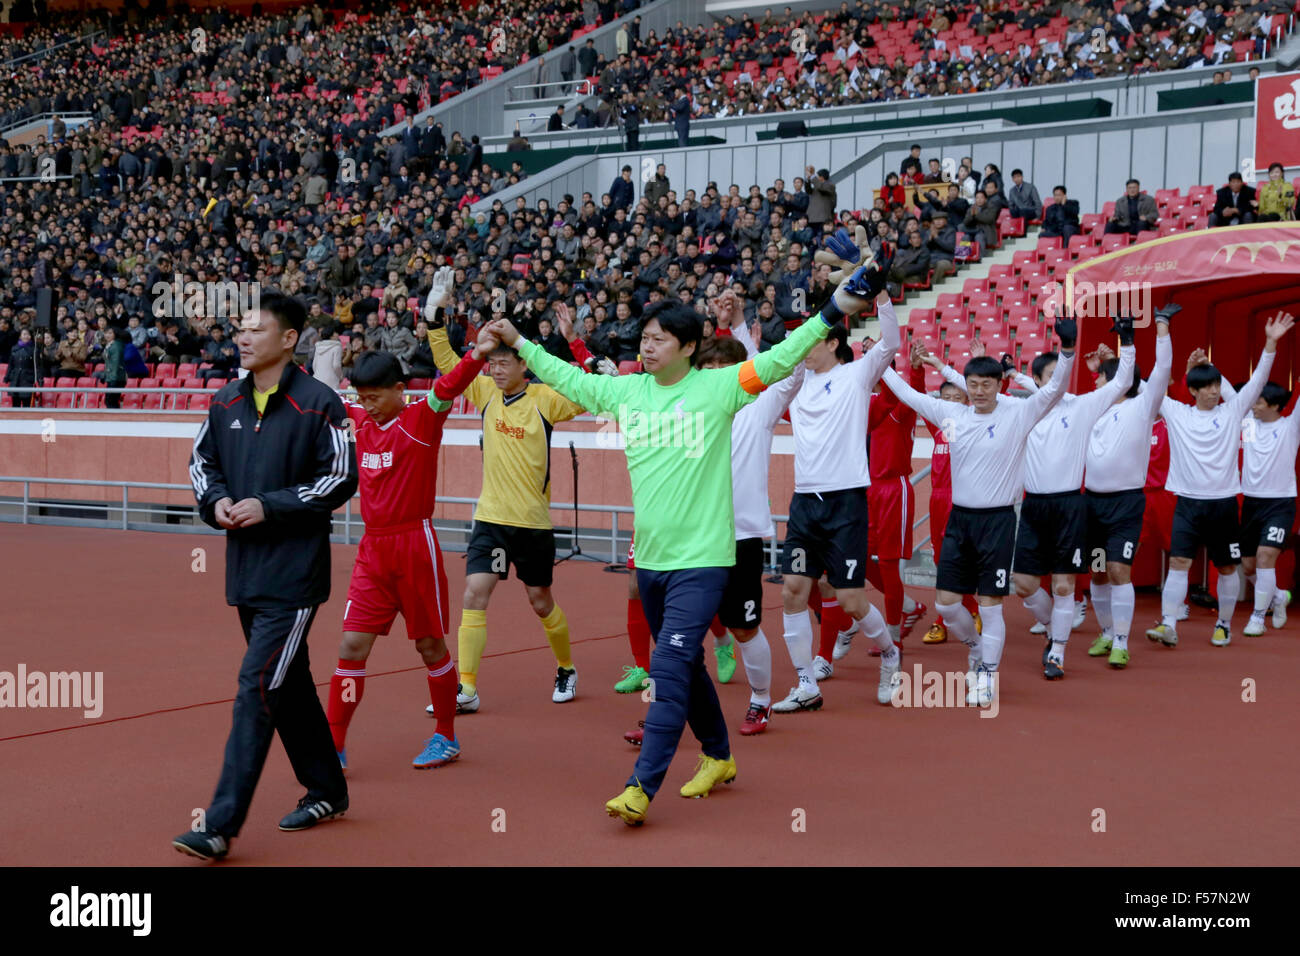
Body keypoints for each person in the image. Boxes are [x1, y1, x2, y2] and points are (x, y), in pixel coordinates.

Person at [486, 238, 890, 826]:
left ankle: (640, 788)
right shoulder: (625, 392)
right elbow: (566, 377)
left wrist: (835, 311)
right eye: (643, 338)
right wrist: (520, 341)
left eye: (658, 340)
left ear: (688, 347)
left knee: (670, 669)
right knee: (689, 667)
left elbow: (782, 357)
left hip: (705, 559)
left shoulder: (719, 388)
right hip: (651, 560)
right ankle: (720, 757)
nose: (645, 347)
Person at [177, 292, 359, 862]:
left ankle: (219, 826)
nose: (242, 336)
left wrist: (270, 506)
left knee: (256, 689)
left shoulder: (320, 403)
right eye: (240, 328)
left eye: (256, 329)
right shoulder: (225, 400)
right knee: (291, 686)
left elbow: (341, 478)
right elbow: (201, 464)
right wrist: (220, 502)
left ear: (289, 339)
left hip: (294, 579)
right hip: (245, 574)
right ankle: (328, 790)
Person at [881, 315, 1078, 706]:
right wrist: (880, 364)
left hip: (999, 522)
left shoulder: (1019, 414)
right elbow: (908, 394)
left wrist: (1068, 352)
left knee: (990, 604)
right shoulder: (951, 414)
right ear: (965, 387)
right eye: (973, 385)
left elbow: (1054, 389)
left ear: (1000, 385)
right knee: (946, 605)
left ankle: (987, 673)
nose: (980, 391)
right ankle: (975, 648)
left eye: (987, 384)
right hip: (960, 521)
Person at [326, 334, 489, 772]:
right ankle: (333, 745)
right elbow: (324, 400)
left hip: (415, 546)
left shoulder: (421, 419)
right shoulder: (360, 420)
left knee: (430, 646)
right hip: (372, 551)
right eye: (363, 398)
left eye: (376, 397)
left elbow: (450, 385)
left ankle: (446, 737)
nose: (369, 405)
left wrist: (479, 353)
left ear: (400, 390)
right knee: (350, 645)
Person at [425, 274, 588, 713]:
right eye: (490, 363)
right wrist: (433, 314)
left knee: (540, 601)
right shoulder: (483, 394)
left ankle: (567, 668)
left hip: (532, 525)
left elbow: (588, 392)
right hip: (491, 520)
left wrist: (576, 345)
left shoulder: (545, 399)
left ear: (522, 365)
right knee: (475, 594)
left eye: (502, 363)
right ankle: (467, 689)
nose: (494, 370)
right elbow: (445, 361)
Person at [774, 228, 901, 712]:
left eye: (812, 341)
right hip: (806, 502)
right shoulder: (796, 383)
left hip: (847, 501)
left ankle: (889, 654)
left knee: (849, 599)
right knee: (792, 590)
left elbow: (890, 342)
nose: (804, 347)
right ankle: (806, 682)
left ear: (833, 343)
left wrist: (880, 288)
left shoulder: (856, 375)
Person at [1147, 310, 1293, 648]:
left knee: (1228, 569)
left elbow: (1258, 379)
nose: (1216, 391)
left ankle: (1224, 624)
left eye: (1217, 385)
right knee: (1180, 562)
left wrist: (1271, 343)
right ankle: (1169, 623)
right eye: (1208, 387)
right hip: (1186, 503)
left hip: (1224, 505)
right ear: (1194, 390)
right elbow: (1157, 378)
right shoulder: (1175, 412)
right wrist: (1162, 329)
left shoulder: (1233, 411)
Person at [1003, 321, 1136, 678]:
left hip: (1070, 508)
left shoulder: (1082, 407)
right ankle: (1053, 628)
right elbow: (986, 394)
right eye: (1048, 377)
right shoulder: (1024, 411)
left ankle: (1057, 651)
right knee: (1025, 585)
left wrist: (1127, 341)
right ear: (1038, 382)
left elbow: (1123, 382)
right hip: (1033, 508)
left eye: (1060, 375)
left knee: (1064, 584)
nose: (1058, 382)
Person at [1082, 309, 1175, 669]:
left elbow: (1163, 370)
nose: (1093, 384)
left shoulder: (1141, 407)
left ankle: (1121, 640)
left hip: (1124, 505)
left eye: (1098, 379)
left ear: (1118, 381)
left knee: (1120, 570)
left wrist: (1149, 334)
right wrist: (1100, 365)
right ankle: (1106, 632)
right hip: (1092, 505)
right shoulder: (1091, 410)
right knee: (1098, 571)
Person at [1196, 347, 1299, 637]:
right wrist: (1210, 365)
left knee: (1266, 556)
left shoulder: (1291, 428)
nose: (1252, 405)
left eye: (1259, 402)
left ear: (1276, 406)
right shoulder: (1248, 426)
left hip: (1280, 503)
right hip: (1252, 503)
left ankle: (1257, 616)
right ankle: (1278, 597)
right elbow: (1231, 394)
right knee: (1250, 564)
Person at [4, 328, 38, 406]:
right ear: (20, 336)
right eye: (24, 334)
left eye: (28, 334)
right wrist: (7, 376)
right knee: (15, 405)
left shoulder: (34, 349)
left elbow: (37, 367)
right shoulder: (14, 348)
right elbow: (11, 365)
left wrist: (39, 380)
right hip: (15, 379)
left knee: (27, 404)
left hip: (28, 379)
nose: (26, 336)